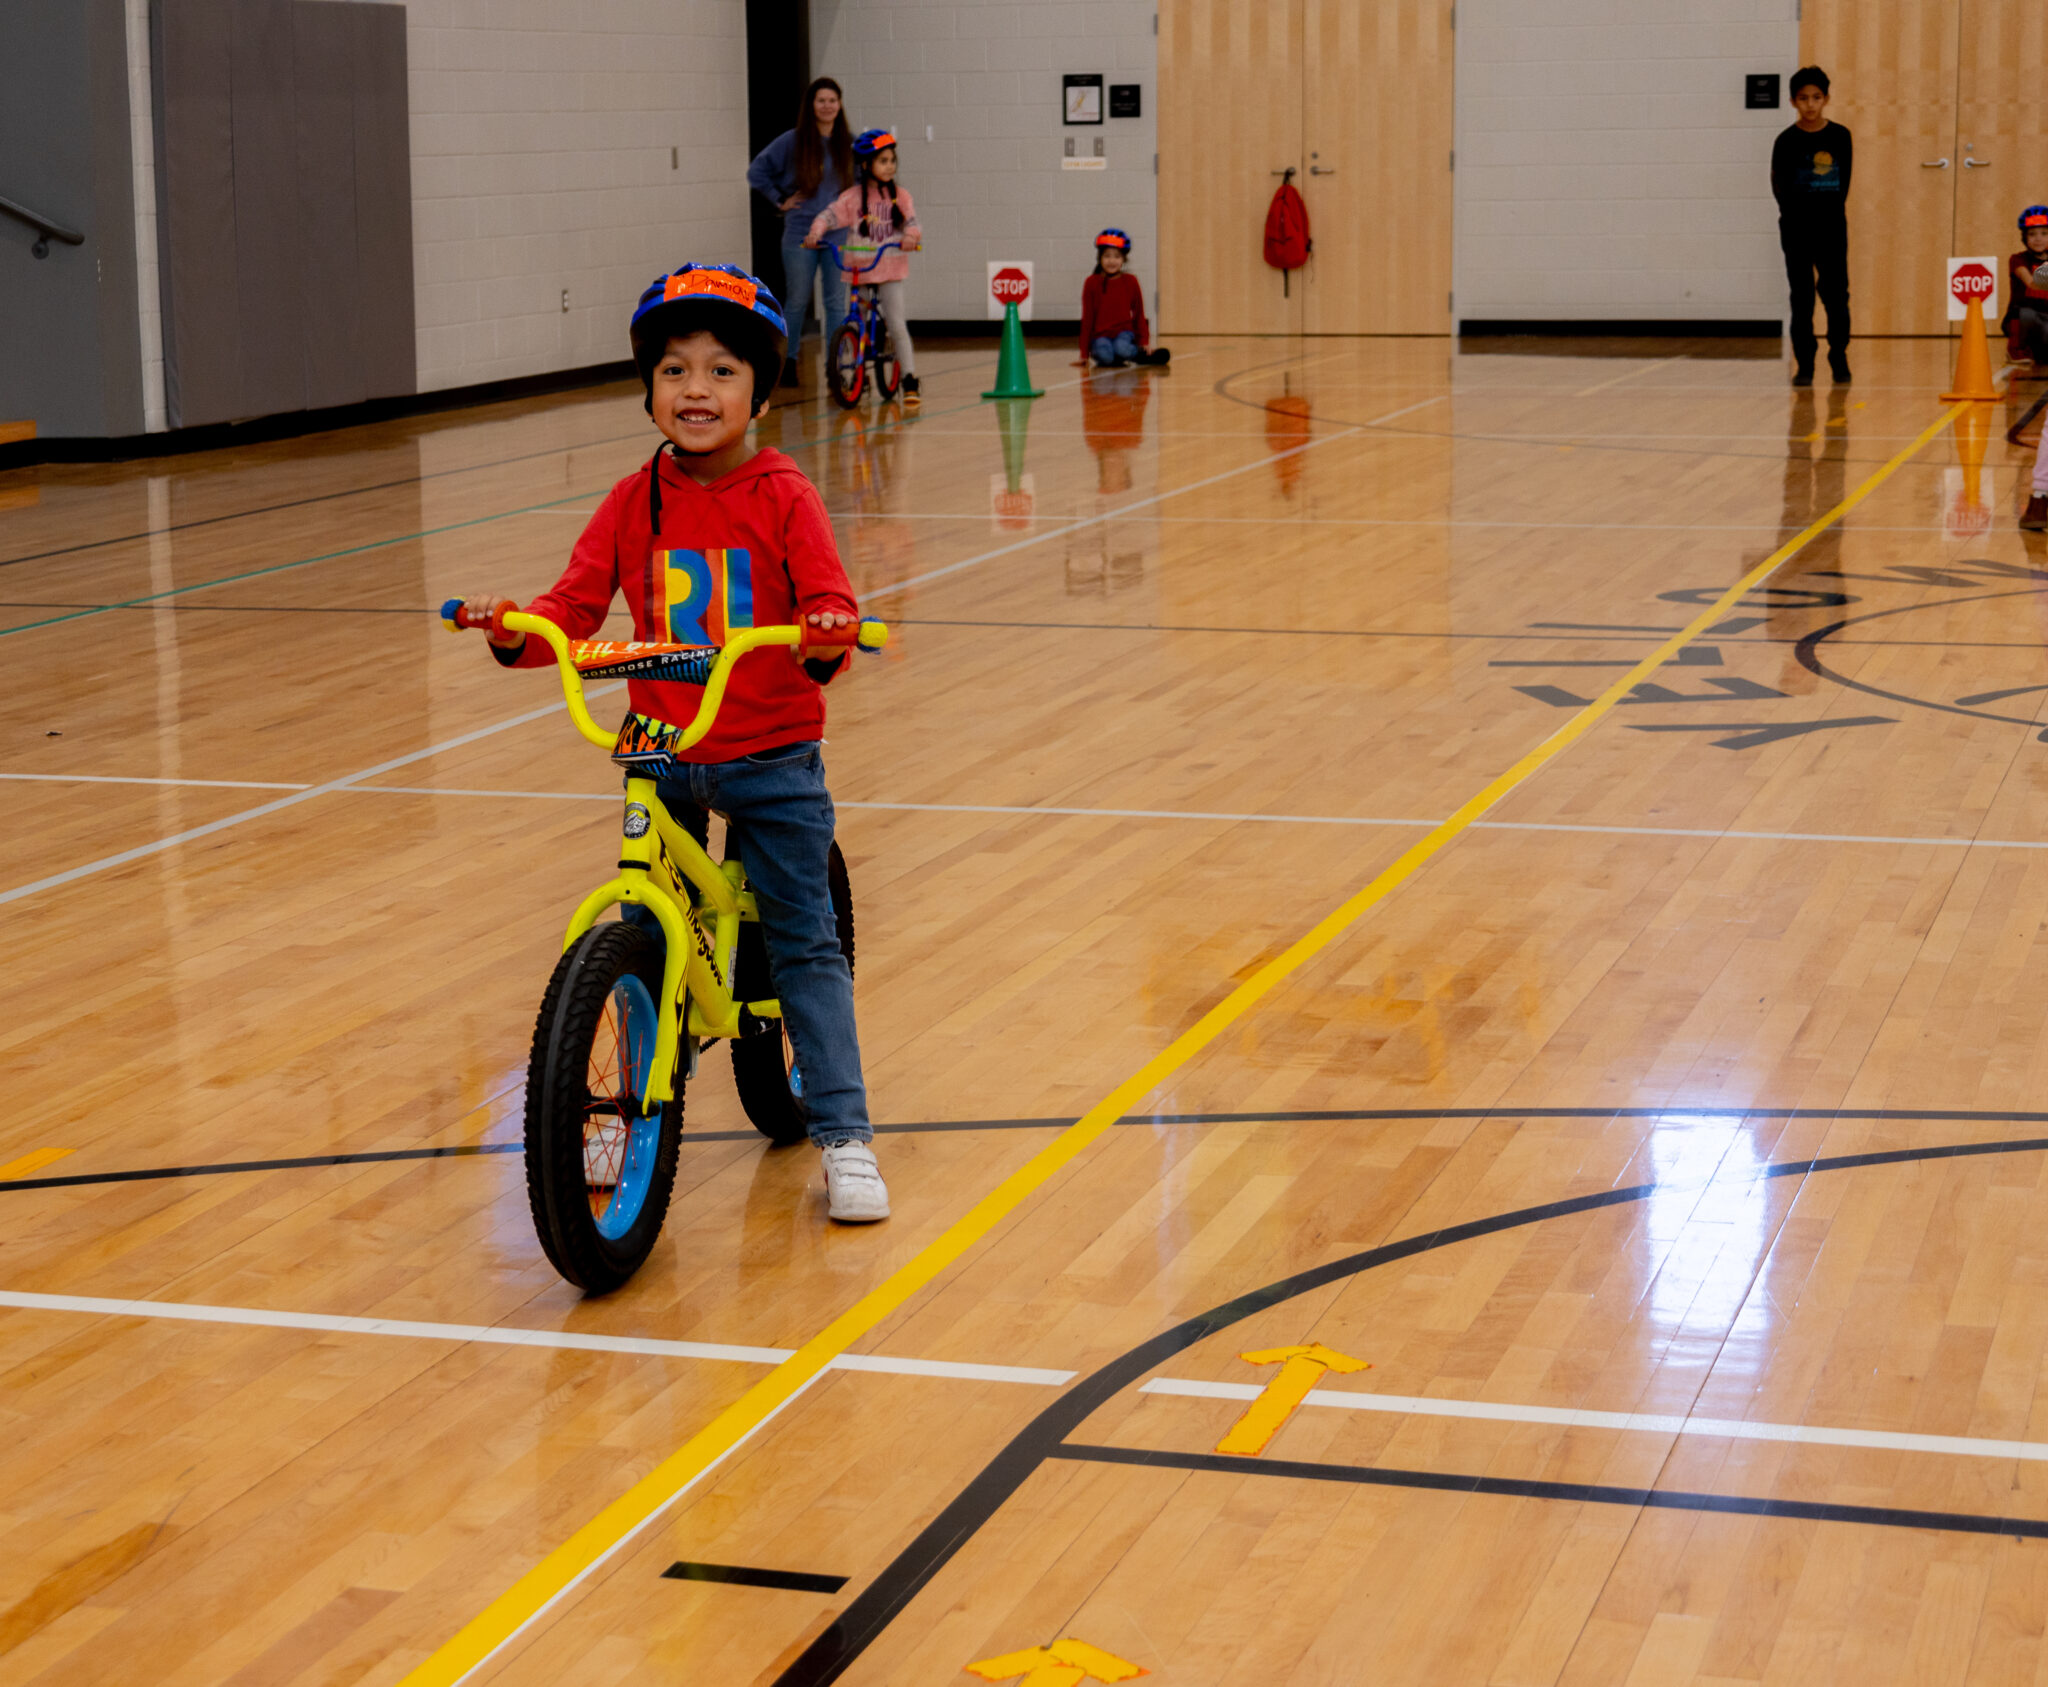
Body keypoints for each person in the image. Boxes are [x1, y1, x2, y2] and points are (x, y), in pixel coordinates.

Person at [456, 265, 890, 1223]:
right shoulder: (631, 500)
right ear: (648, 388)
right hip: (662, 744)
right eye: (674, 370)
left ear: (761, 391)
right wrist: (513, 625)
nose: (696, 389)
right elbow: (569, 613)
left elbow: (831, 601)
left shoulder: (784, 493)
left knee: (806, 941)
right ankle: (653, 1016)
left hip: (770, 750)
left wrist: (824, 625)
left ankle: (845, 1134)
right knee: (649, 920)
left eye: (722, 370)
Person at [747, 78, 856, 387]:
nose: (827, 106)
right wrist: (781, 200)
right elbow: (757, 171)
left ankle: (836, 366)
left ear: (839, 104)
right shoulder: (792, 141)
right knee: (796, 300)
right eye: (821, 100)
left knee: (836, 303)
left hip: (836, 235)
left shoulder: (848, 142)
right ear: (812, 105)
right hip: (799, 234)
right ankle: (789, 361)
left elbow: (864, 181)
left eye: (832, 100)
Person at [805, 127, 924, 409]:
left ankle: (908, 378)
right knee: (855, 319)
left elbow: (913, 224)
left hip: (890, 268)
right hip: (860, 269)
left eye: (892, 160)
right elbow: (829, 215)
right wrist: (815, 232)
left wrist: (910, 237)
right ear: (866, 165)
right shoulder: (852, 197)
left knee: (895, 323)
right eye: (883, 161)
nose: (890, 166)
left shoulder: (901, 197)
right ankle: (854, 372)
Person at [1771, 66, 1853, 387]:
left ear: (1826, 99)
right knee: (1801, 297)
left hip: (1831, 228)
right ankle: (1805, 362)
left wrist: (1825, 215)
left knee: (1835, 295)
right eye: (1803, 98)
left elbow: (1843, 183)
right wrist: (1797, 219)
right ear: (1793, 101)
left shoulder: (1840, 136)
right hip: (1795, 230)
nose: (1810, 105)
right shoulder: (1786, 141)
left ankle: (1839, 355)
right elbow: (1779, 186)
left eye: (1816, 98)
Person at [1079, 230, 1168, 368]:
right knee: (1105, 355)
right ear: (1100, 258)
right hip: (1100, 336)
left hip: (1124, 334)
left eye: (1117, 256)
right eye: (1107, 256)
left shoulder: (1131, 281)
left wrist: (1144, 342)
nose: (1111, 261)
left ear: (1124, 259)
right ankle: (1116, 357)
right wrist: (1084, 353)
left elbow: (1139, 314)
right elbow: (1087, 318)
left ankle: (1140, 355)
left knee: (1121, 347)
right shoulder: (1091, 282)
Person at [2002, 205, 2048, 364]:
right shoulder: (2018, 260)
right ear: (2024, 237)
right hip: (2025, 320)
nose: (2038, 238)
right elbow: (2031, 283)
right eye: (2032, 234)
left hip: (2046, 321)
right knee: (2025, 311)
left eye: (2044, 233)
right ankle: (2016, 349)